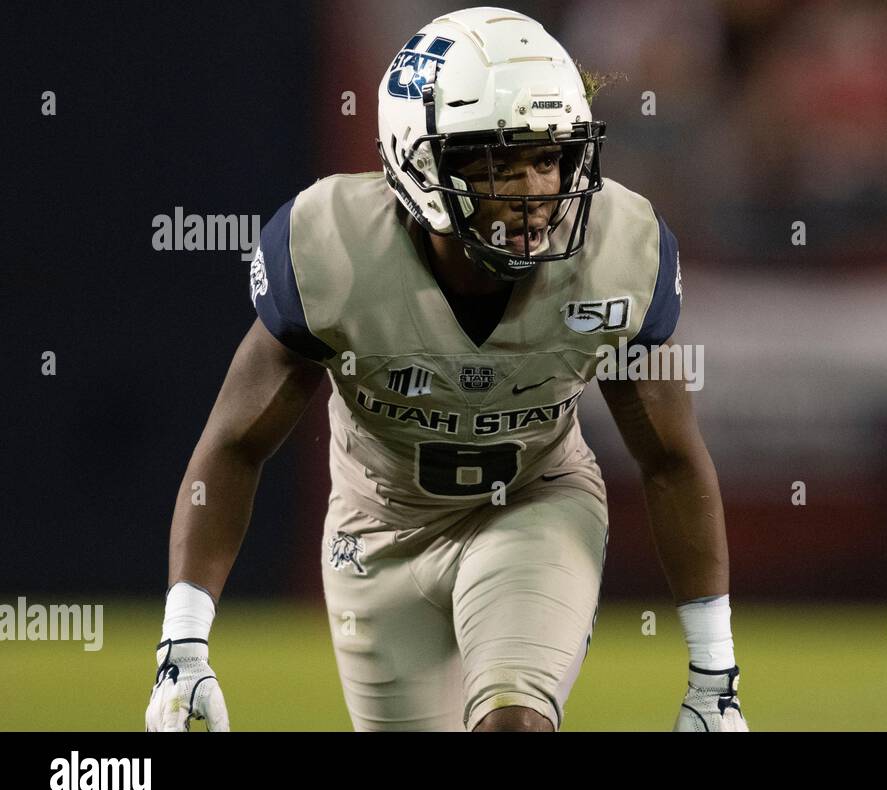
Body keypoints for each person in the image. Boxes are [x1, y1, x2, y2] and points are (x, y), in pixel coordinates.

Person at [145, 7, 747, 732]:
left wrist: (715, 673)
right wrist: (183, 641)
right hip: (376, 530)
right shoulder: (335, 251)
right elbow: (234, 445)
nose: (533, 193)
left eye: (550, 158)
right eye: (499, 162)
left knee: (514, 722)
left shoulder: (617, 252)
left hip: (532, 501)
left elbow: (672, 458)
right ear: (418, 160)